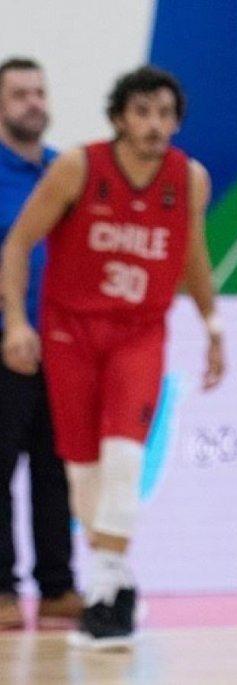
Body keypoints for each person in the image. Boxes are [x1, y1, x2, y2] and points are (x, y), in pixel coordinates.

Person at [0, 65, 225, 649]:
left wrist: (213, 324)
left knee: (125, 455)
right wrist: (18, 322)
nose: (155, 125)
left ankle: (104, 591)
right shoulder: (78, 166)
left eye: (165, 113)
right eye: (143, 112)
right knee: (82, 471)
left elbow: (192, 255)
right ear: (120, 117)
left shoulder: (189, 179)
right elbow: (19, 242)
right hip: (70, 335)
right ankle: (114, 581)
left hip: (137, 333)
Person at [0, 57, 82, 631]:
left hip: (63, 348)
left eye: (39, 91)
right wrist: (12, 324)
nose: (33, 102)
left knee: (58, 472)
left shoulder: (65, 172)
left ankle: (58, 588)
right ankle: (3, 589)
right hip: (4, 343)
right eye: (19, 93)